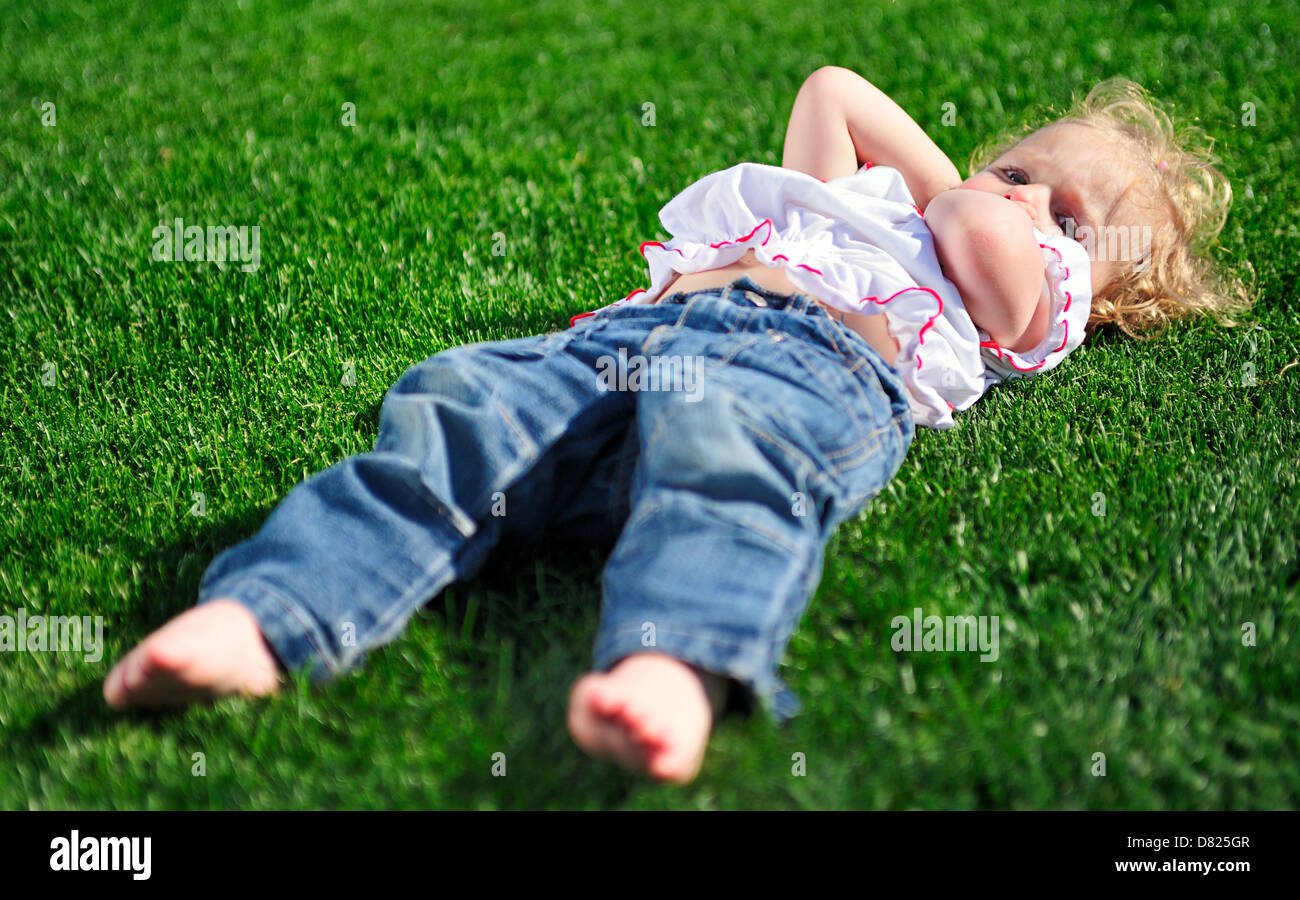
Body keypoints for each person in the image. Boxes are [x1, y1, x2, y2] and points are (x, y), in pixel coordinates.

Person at [103, 66, 1254, 785]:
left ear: (1101, 300)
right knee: (460, 408)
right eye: (1020, 168)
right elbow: (829, 92)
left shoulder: (1029, 304)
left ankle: (673, 663)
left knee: (729, 474)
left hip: (810, 366)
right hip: (619, 347)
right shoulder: (875, 209)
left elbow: (989, 235)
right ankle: (266, 614)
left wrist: (971, 190)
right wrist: (921, 184)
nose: (1023, 201)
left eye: (1069, 211)